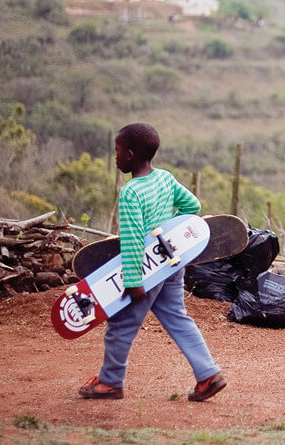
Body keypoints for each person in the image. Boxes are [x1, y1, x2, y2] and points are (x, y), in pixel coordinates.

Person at [78, 123, 226, 402]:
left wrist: (134, 282)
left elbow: (132, 240)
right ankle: (208, 374)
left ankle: (109, 383)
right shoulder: (166, 179)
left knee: (120, 327)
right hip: (171, 262)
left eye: (118, 152)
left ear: (131, 155)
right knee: (177, 317)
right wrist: (169, 234)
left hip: (145, 272)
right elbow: (192, 206)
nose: (116, 157)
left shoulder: (131, 192)